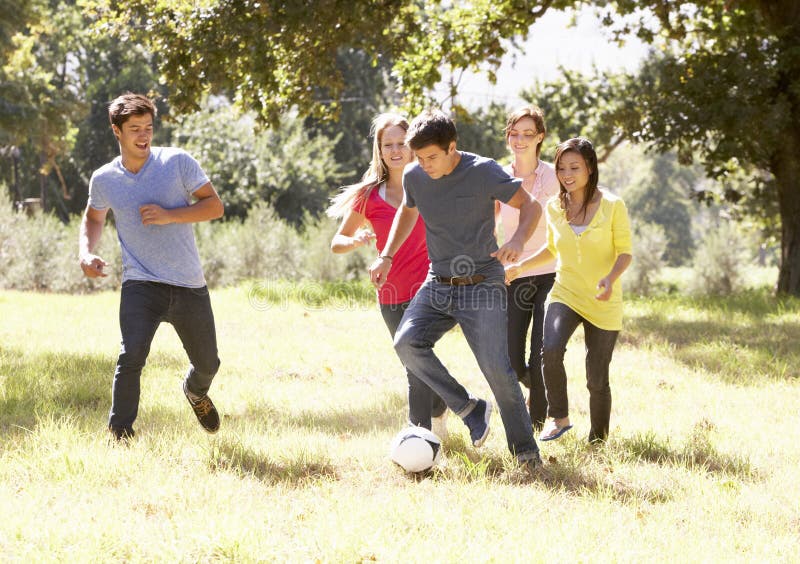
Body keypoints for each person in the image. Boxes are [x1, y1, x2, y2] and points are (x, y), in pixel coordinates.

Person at [369, 109, 543, 472]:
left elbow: (531, 205)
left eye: (432, 156)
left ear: (452, 148)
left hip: (482, 282)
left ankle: (525, 452)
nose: (424, 165)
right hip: (439, 282)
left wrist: (517, 239)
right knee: (407, 343)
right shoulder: (417, 175)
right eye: (419, 158)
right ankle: (468, 408)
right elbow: (407, 210)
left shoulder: (482, 171)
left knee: (497, 368)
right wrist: (387, 255)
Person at [79, 93, 225, 441]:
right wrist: (85, 252)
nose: (144, 136)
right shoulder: (104, 179)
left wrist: (169, 215)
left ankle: (195, 391)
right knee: (131, 356)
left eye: (148, 127)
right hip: (140, 282)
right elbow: (93, 217)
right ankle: (120, 435)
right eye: (134, 129)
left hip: (188, 283)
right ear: (117, 131)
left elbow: (214, 206)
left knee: (208, 364)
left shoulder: (176, 162)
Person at [327, 112, 450, 438]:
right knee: (416, 363)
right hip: (391, 292)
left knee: (415, 365)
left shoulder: (431, 183)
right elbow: (336, 243)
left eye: (401, 143)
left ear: (413, 146)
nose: (395, 150)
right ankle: (441, 406)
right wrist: (355, 241)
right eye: (388, 145)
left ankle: (419, 441)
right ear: (379, 151)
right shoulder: (368, 196)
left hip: (430, 288)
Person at [505, 137, 632, 443]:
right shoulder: (554, 207)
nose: (566, 174)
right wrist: (521, 266)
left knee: (597, 379)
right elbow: (552, 248)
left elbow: (625, 252)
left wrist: (610, 279)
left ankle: (598, 439)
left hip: (603, 300)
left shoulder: (613, 205)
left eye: (574, 167)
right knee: (549, 349)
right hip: (565, 293)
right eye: (561, 167)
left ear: (590, 167)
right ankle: (558, 417)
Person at [495, 105, 560, 431]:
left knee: (542, 354)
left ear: (540, 138)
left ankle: (533, 431)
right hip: (513, 276)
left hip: (551, 273)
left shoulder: (554, 176)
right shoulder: (499, 176)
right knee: (509, 358)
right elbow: (486, 221)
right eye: (514, 133)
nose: (519, 140)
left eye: (527, 134)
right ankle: (537, 390)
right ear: (508, 136)